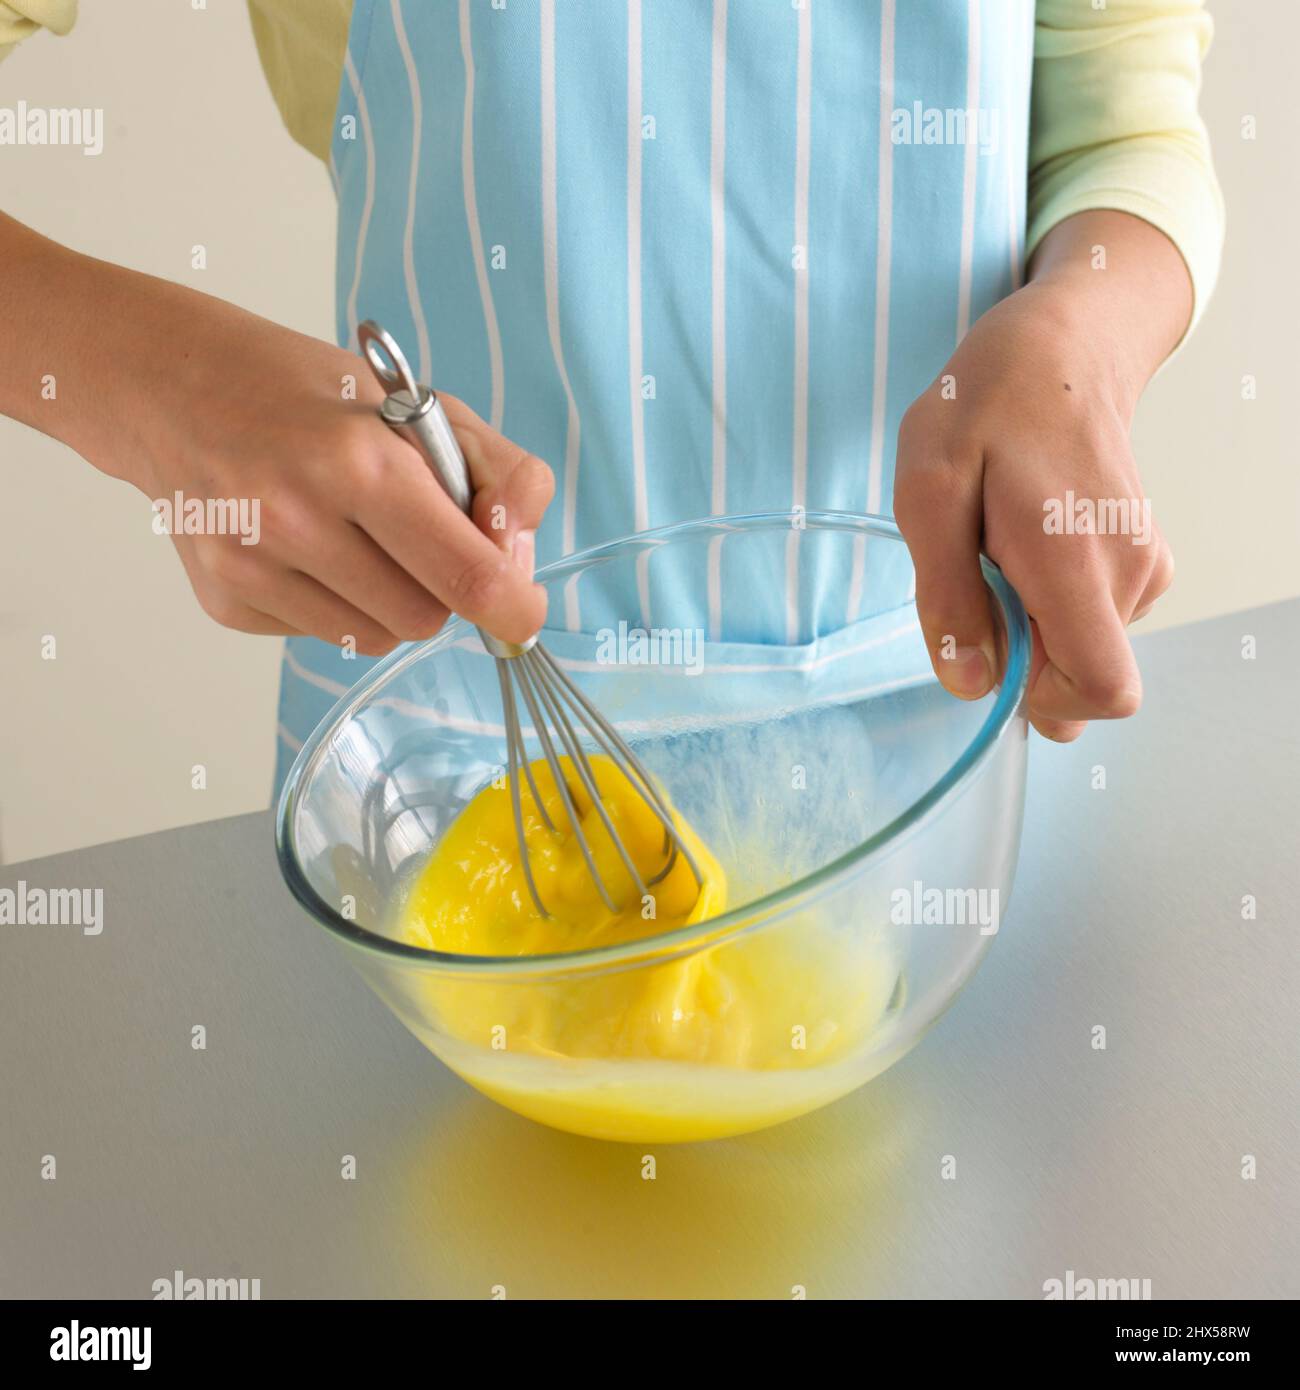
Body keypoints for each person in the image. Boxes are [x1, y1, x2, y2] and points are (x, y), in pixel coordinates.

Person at [0, 0, 1223, 797]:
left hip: (968, 751)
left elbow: (1118, 123)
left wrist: (1078, 338)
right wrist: (173, 389)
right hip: (457, 775)